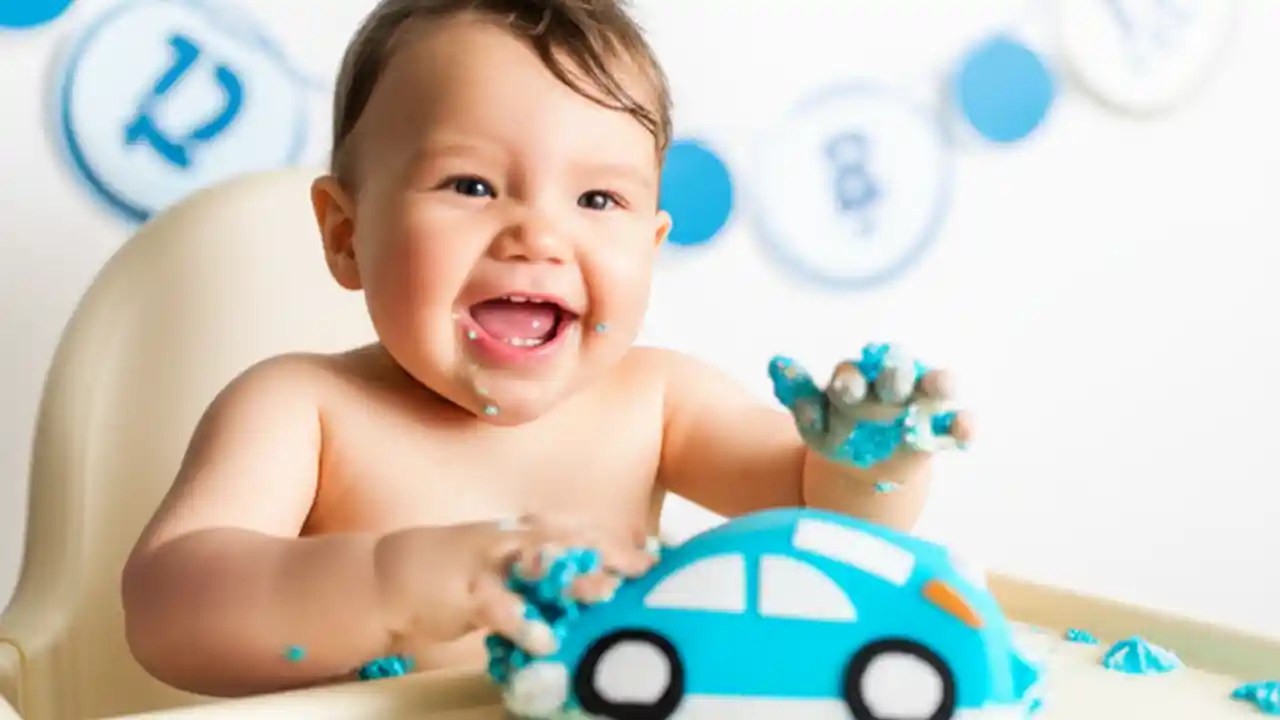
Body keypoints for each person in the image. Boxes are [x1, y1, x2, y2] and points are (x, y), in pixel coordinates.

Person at [120, 0, 971, 698]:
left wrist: (867, 466)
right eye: (472, 185)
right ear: (348, 235)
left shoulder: (658, 402)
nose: (539, 235)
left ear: (651, 244)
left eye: (598, 198)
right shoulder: (302, 411)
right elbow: (168, 613)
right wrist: (397, 583)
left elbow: (821, 520)